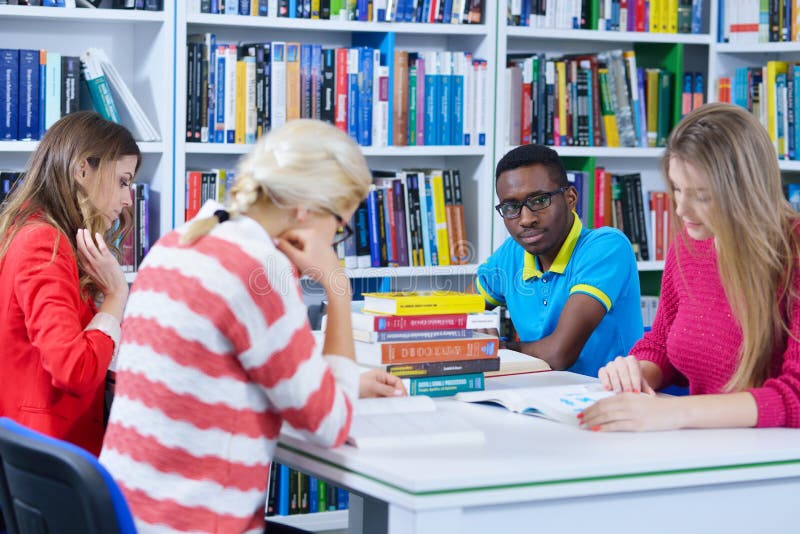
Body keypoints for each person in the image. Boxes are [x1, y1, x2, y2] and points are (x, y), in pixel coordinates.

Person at [100, 119, 405, 534]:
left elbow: (231, 367)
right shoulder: (256, 269)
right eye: (339, 224)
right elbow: (329, 426)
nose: (335, 241)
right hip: (195, 523)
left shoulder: (177, 242)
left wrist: (339, 379)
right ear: (305, 210)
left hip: (129, 513)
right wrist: (337, 288)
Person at [580, 102, 800, 431]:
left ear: (745, 191)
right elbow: (662, 344)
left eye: (701, 195)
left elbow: (794, 398)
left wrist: (674, 413)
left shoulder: (792, 251)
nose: (681, 209)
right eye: (678, 189)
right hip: (704, 447)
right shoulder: (688, 244)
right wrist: (637, 372)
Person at [0, 111, 138, 456]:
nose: (128, 200)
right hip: (50, 452)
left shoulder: (36, 231)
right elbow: (73, 369)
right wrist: (116, 295)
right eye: (123, 181)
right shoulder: (43, 242)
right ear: (81, 171)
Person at [474, 144, 643, 376]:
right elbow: (459, 307)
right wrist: (474, 329)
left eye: (540, 201)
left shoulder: (607, 247)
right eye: (511, 207)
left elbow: (559, 354)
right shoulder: (513, 253)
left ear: (570, 198)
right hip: (539, 396)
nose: (526, 219)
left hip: (610, 397)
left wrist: (500, 348)